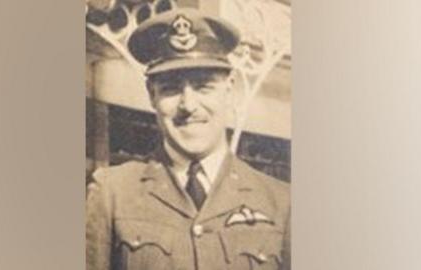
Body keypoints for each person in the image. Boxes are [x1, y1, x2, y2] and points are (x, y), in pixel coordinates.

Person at [86, 7, 290, 270]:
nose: (189, 105)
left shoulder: (280, 202)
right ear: (152, 95)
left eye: (204, 86)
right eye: (171, 89)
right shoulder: (113, 193)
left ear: (229, 90)